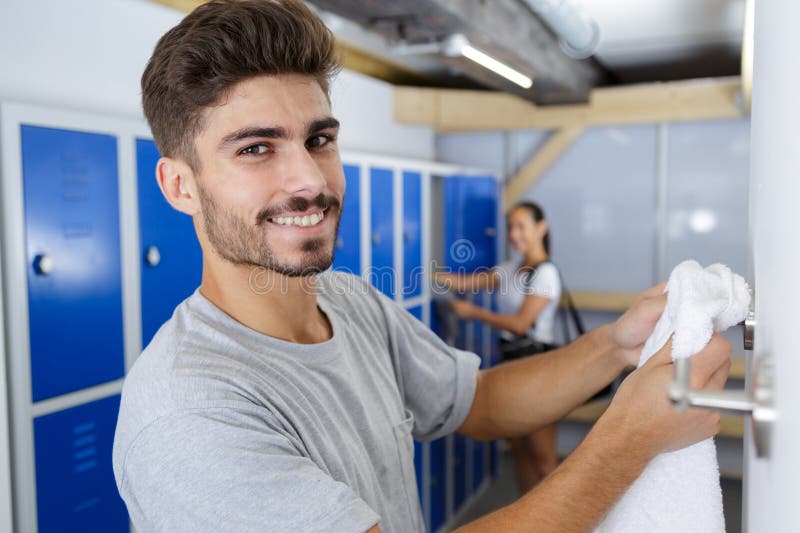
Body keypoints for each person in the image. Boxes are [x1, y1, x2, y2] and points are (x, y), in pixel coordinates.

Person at [112, 1, 732, 532]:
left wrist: (617, 344)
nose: (308, 178)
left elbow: (479, 400)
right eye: (255, 148)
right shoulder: (189, 410)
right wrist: (630, 438)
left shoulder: (349, 300)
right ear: (180, 187)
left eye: (319, 140)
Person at [434, 201, 564, 495]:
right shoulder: (510, 270)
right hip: (513, 366)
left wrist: (474, 313)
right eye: (511, 227)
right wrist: (419, 274)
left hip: (540, 369)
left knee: (544, 460)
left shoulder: (546, 274)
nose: (514, 234)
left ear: (540, 228)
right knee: (519, 449)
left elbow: (520, 324)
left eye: (522, 226)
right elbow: (466, 282)